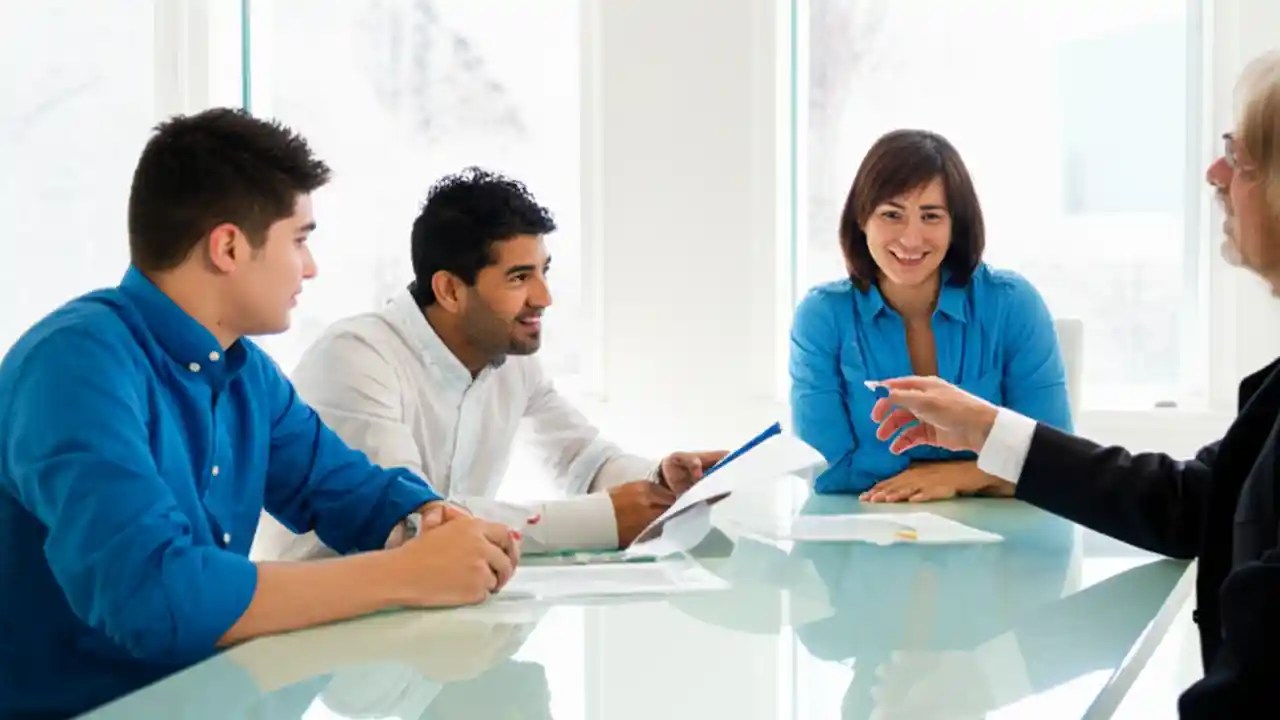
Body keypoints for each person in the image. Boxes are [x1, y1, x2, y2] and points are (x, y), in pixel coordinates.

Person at [0, 109, 520, 719]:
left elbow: (350, 491)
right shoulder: (74, 367)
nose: (311, 266)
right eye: (299, 239)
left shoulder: (246, 372)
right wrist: (408, 573)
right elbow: (155, 596)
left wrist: (432, 520)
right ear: (228, 247)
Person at [866, 52, 1280, 718]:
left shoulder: (1010, 301)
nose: (1214, 172)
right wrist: (989, 430)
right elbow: (1188, 504)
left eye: (1240, 156)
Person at [251, 168, 726, 560]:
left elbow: (584, 459)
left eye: (543, 272)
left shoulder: (509, 359)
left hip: (431, 615)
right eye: (519, 277)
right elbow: (415, 523)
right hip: (326, 630)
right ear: (450, 290)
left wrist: (660, 482)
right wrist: (601, 520)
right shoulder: (357, 356)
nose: (543, 297)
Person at [789, 129, 1072, 503]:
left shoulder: (1012, 304)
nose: (911, 238)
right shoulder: (821, 316)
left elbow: (1056, 463)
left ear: (956, 224)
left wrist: (957, 476)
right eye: (892, 214)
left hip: (997, 530)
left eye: (931, 216)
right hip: (869, 525)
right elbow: (827, 471)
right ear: (862, 218)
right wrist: (992, 470)